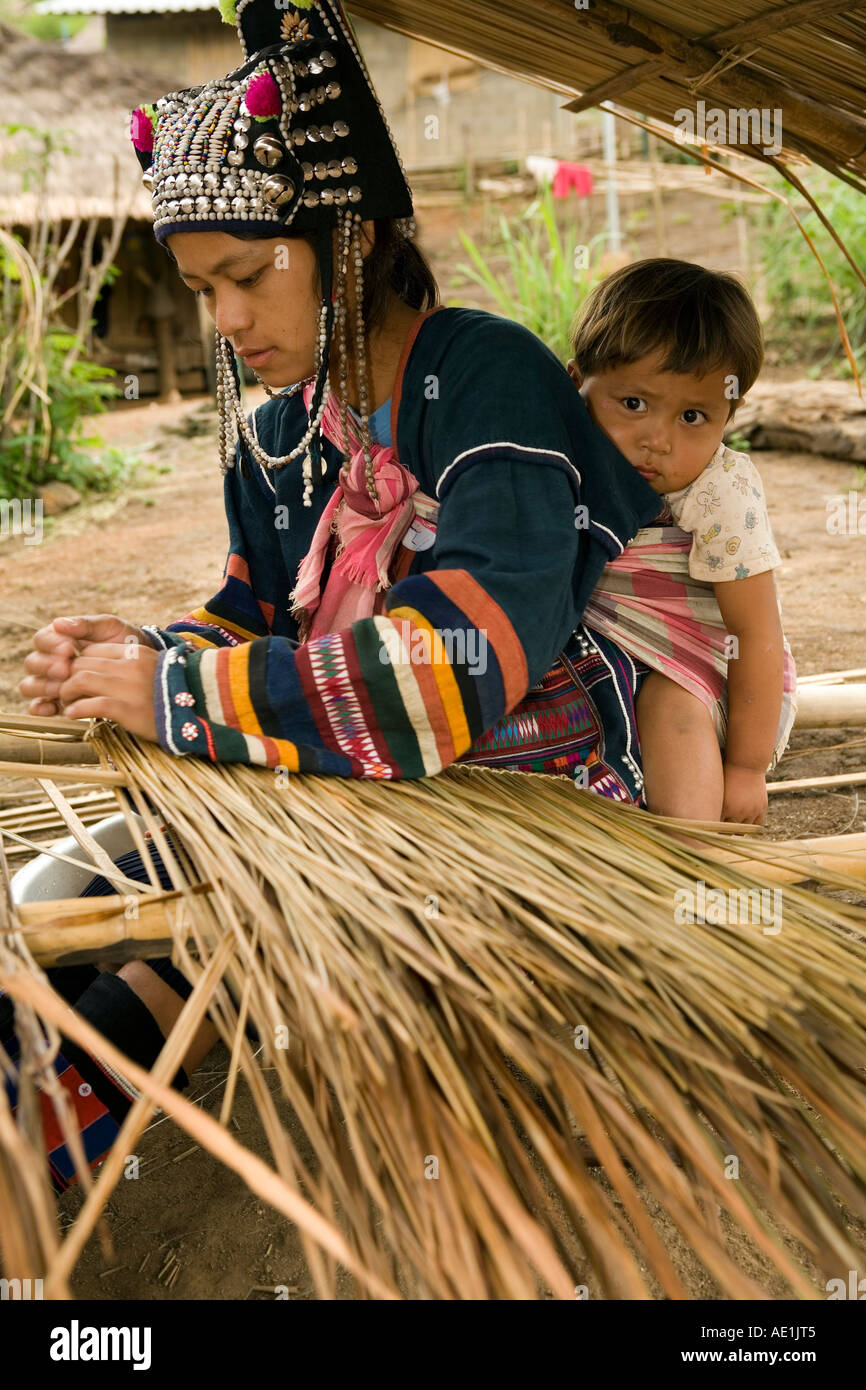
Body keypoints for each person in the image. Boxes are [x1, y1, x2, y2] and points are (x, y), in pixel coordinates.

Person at [10, 0, 665, 1192]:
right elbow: (254, 615)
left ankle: (42, 1132)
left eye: (248, 275)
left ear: (347, 239)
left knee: (186, 949)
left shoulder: (486, 382)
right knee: (54, 899)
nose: (226, 321)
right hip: (326, 757)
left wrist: (173, 689)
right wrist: (144, 649)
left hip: (509, 780)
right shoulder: (278, 434)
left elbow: (464, 661)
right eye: (203, 288)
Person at [570, 258, 797, 825]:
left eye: (693, 415)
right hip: (601, 648)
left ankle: (695, 857)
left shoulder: (720, 491)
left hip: (704, 668)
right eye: (633, 404)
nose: (657, 441)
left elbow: (755, 632)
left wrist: (746, 769)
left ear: (729, 417)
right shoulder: (557, 458)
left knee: (670, 706)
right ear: (575, 382)